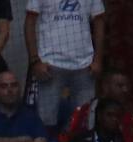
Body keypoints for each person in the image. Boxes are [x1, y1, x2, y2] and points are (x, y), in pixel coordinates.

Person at [23, 0, 103, 131]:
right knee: (46, 122)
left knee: (84, 123)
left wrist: (98, 59)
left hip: (84, 66)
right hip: (51, 65)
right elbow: (30, 21)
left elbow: (99, 20)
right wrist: (34, 61)